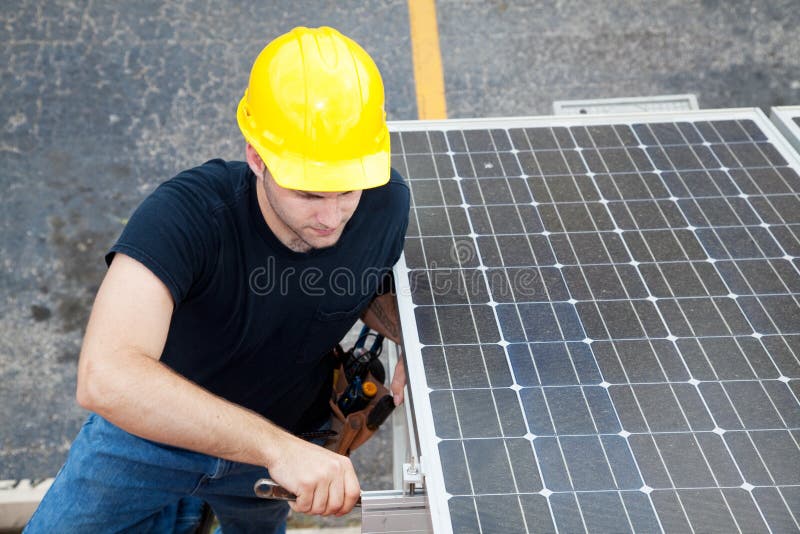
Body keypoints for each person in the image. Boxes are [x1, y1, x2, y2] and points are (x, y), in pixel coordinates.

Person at [25, 26, 410, 533]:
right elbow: (106, 375)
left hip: (280, 442)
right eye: (309, 193)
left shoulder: (383, 206)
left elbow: (365, 287)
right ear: (257, 157)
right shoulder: (186, 215)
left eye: (347, 190)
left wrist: (416, 342)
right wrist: (277, 449)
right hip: (150, 441)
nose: (332, 216)